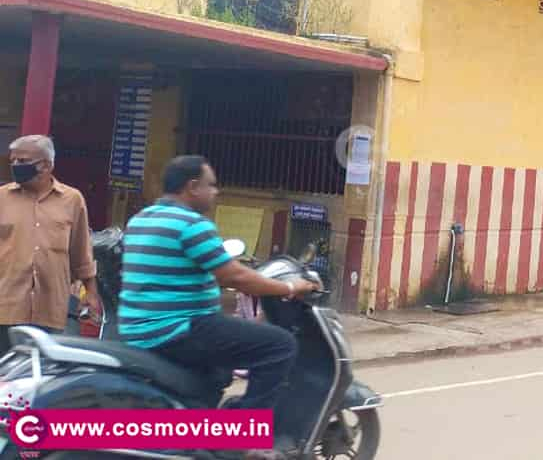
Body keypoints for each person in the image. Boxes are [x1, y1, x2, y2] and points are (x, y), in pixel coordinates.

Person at [119, 156, 320, 458]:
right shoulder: (192, 224)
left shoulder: (142, 218)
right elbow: (235, 276)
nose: (216, 193)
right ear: (192, 187)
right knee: (279, 345)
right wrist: (291, 288)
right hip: (178, 327)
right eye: (211, 186)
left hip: (139, 327)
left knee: (222, 365)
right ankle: (246, 440)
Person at [0, 135, 102, 353]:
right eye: (13, 161)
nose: (16, 166)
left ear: (46, 165)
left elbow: (81, 252)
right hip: (5, 305)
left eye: (22, 161)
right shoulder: (2, 198)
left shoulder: (72, 200)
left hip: (49, 308)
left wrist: (91, 294)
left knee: (41, 377)